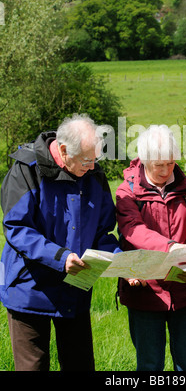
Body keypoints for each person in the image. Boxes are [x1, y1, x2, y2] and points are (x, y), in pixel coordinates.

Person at [0, 114, 121, 371]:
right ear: (63, 150)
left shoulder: (93, 175)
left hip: (75, 288)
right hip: (29, 288)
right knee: (33, 366)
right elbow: (17, 228)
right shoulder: (26, 170)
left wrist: (121, 259)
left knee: (80, 365)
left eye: (95, 159)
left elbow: (102, 232)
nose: (92, 167)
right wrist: (61, 257)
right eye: (87, 160)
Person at [116, 125, 186, 371]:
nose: (165, 170)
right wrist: (171, 248)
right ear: (144, 160)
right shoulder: (128, 191)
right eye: (158, 165)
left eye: (170, 163)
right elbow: (133, 229)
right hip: (146, 291)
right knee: (149, 366)